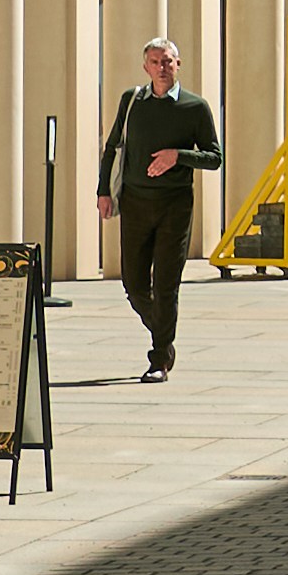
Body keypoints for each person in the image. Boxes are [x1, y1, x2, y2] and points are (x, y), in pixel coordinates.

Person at [96, 38, 222, 382]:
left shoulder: (195, 107)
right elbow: (112, 147)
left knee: (166, 284)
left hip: (174, 205)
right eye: (155, 62)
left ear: (178, 64)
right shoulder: (132, 101)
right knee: (134, 284)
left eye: (167, 61)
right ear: (146, 67)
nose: (161, 68)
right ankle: (163, 334)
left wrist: (177, 156)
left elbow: (214, 158)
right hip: (135, 202)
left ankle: (159, 359)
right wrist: (104, 191)